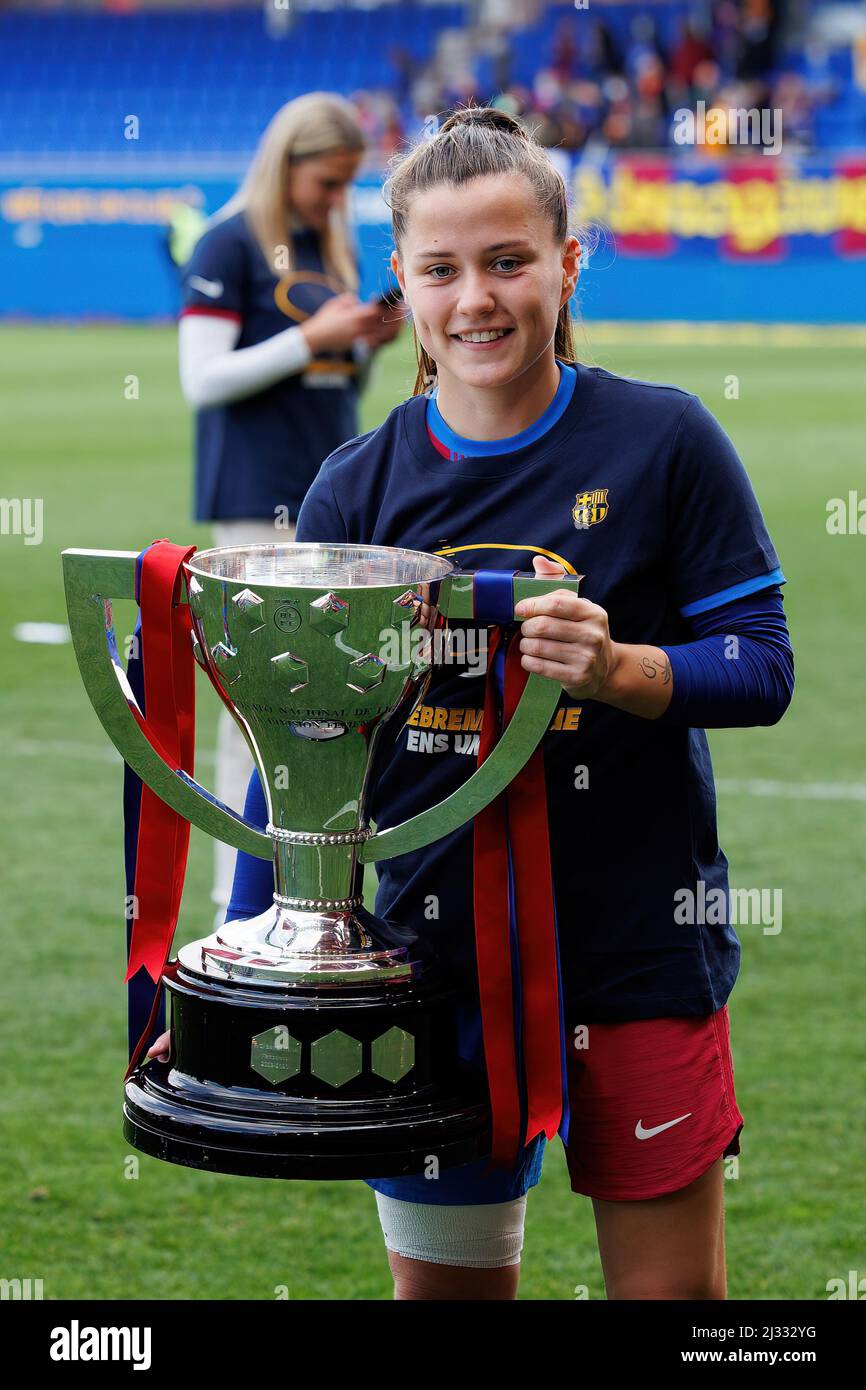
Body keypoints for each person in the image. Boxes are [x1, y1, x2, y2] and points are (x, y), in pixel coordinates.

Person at [152, 105, 794, 1300]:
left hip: (635, 951)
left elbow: (761, 666)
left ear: (566, 262)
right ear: (398, 280)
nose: (476, 300)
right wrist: (245, 955)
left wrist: (620, 669)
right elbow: (298, 743)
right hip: (425, 968)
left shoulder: (664, 440)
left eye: (508, 261)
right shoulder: (355, 484)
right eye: (441, 269)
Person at [177, 92, 402, 924]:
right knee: (255, 706)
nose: (333, 199)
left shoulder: (326, 244)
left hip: (335, 497)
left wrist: (358, 344)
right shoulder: (229, 241)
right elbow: (203, 379)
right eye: (325, 181)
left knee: (335, 701)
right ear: (287, 162)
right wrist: (311, 338)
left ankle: (319, 889)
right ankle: (235, 908)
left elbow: (334, 392)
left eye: (346, 185)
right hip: (253, 496)